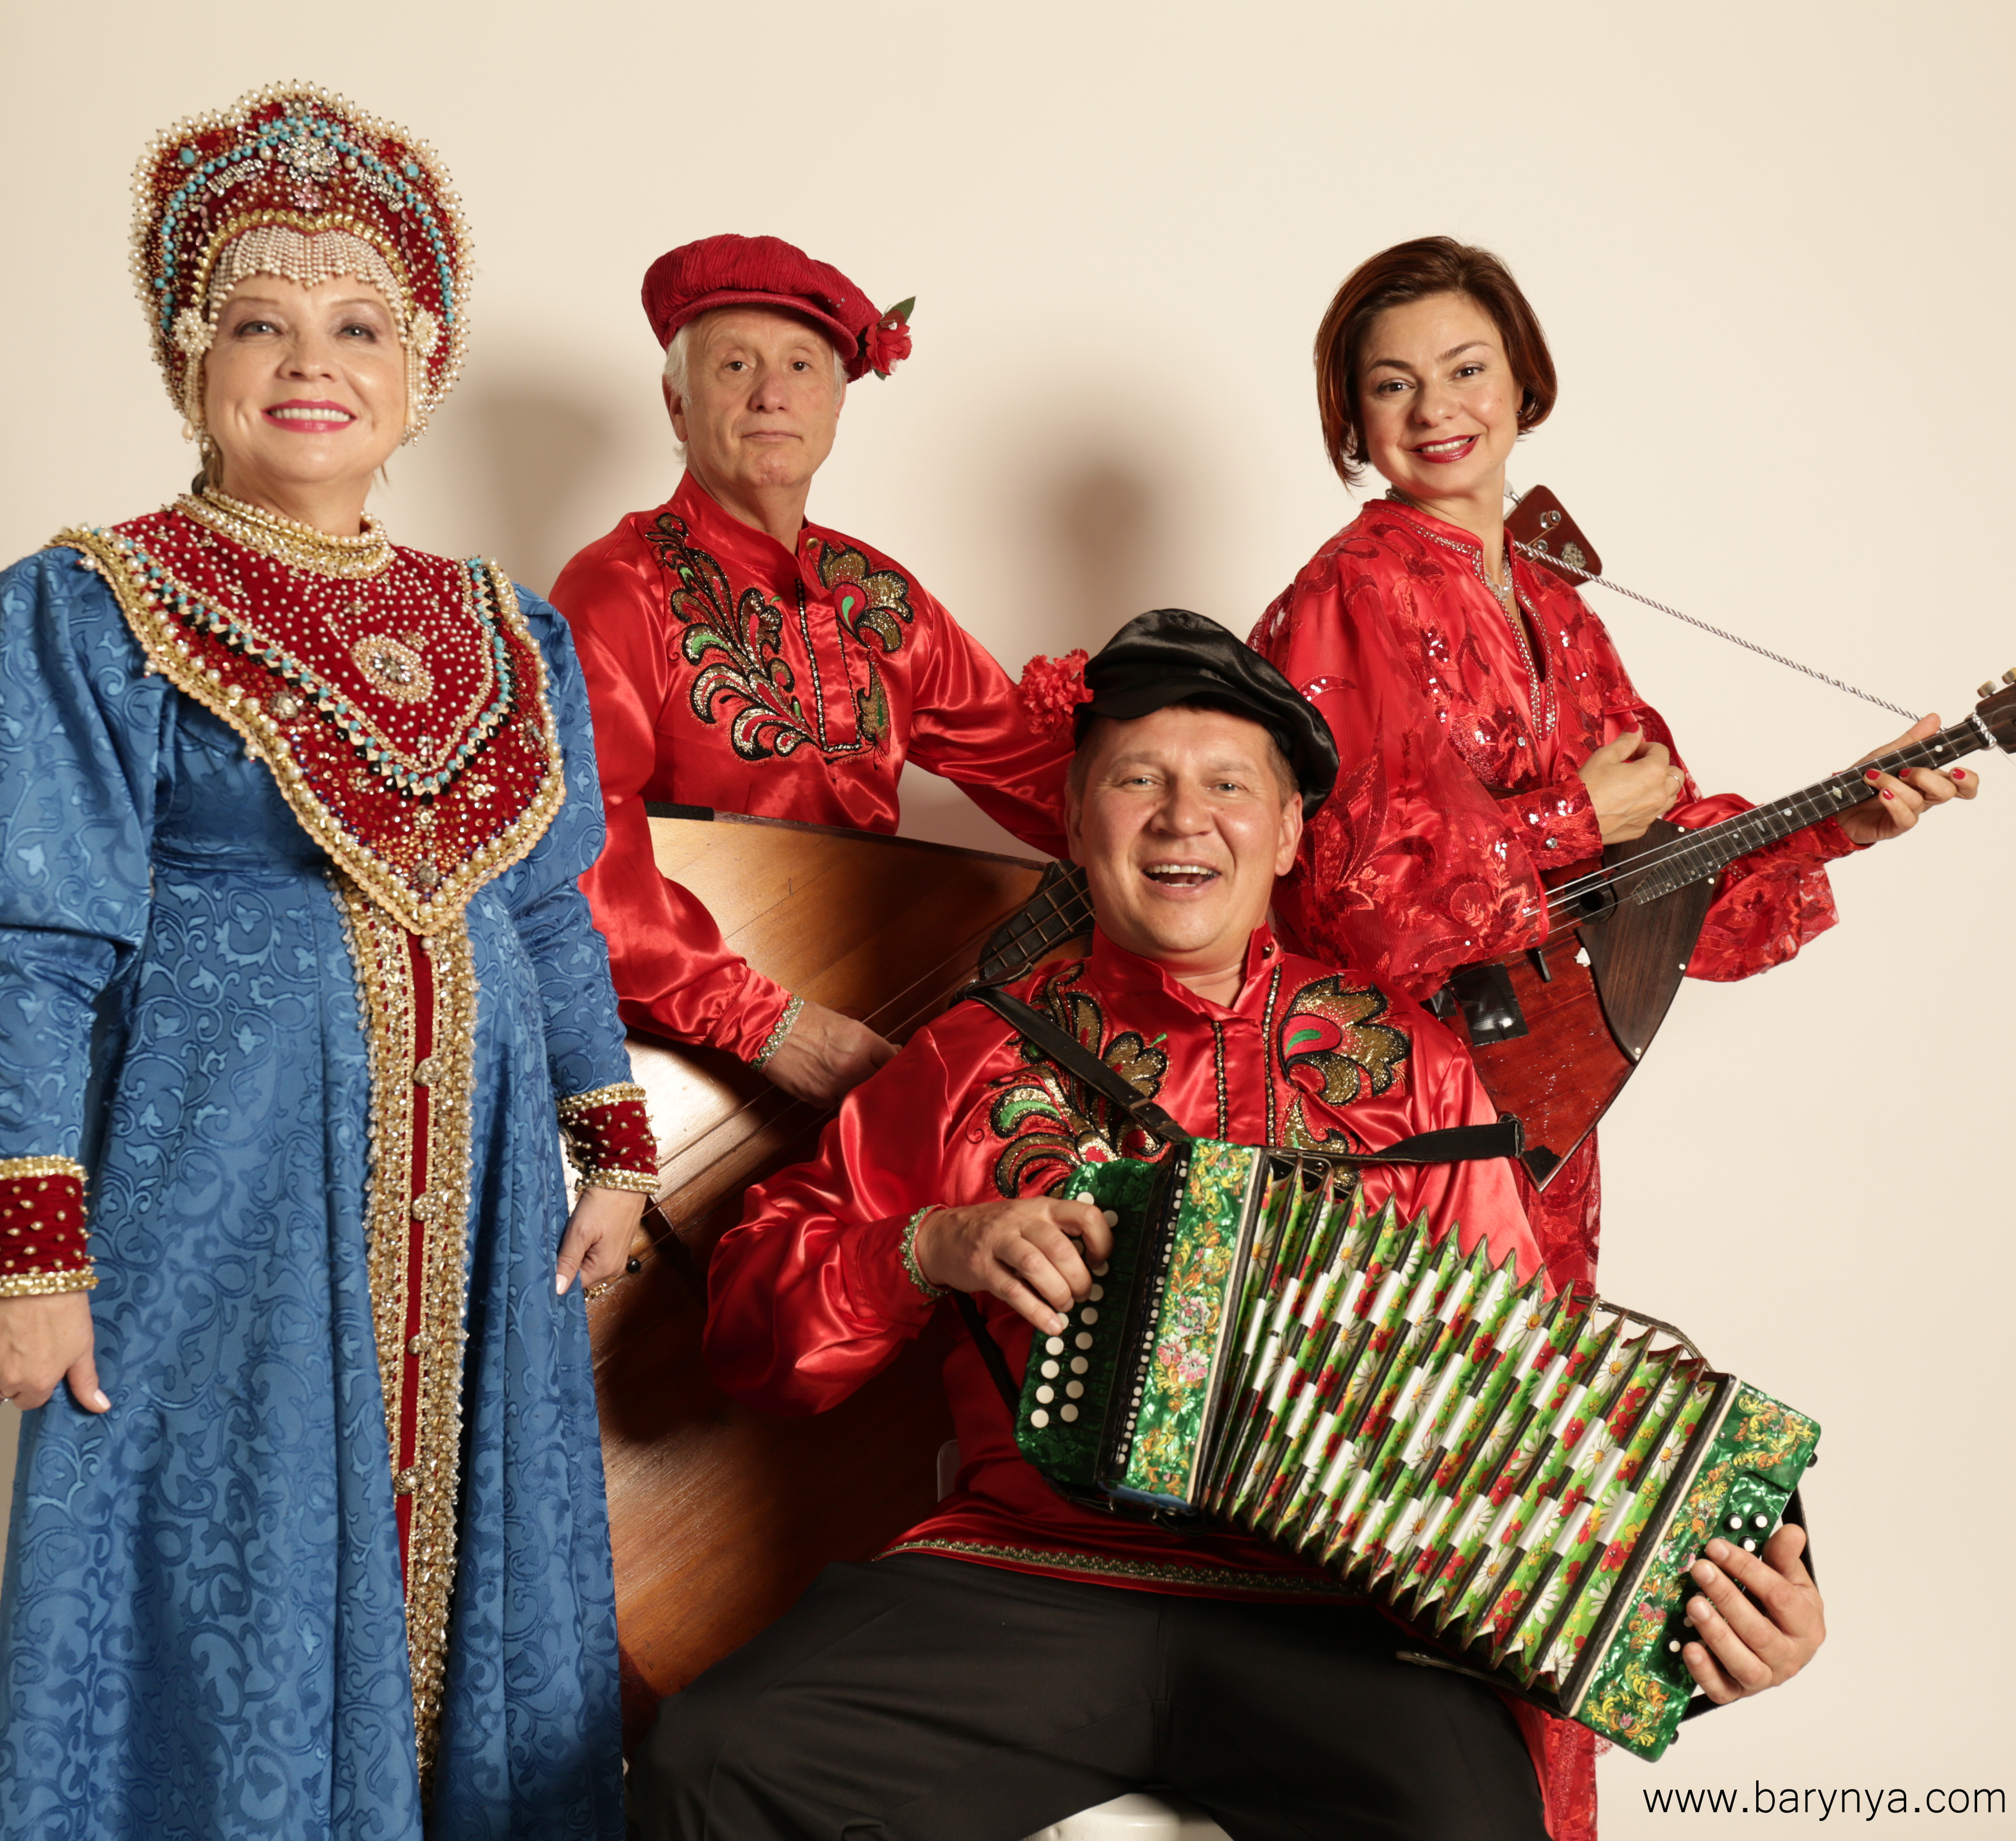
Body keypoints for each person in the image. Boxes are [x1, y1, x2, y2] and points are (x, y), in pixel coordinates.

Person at [625, 612, 1825, 1841]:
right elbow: (749, 1340)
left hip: (1334, 1611)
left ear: (1292, 830)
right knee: (712, 1764)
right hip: (1028, 1576)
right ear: (1081, 819)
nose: (1180, 818)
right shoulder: (966, 1058)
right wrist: (930, 1245)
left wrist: (1722, 1595)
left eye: (1227, 786)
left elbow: (1530, 1389)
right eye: (1137, 780)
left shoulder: (1412, 1068)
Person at [0, 84, 649, 1839]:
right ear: (192, 363)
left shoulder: (507, 628)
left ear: (419, 371)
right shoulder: (91, 610)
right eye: (258, 321)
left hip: (478, 1207)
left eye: (357, 326)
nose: (308, 361)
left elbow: (549, 903)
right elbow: (33, 943)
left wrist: (612, 1138)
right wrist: (33, 1251)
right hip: (220, 1193)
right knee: (219, 1556)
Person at [1249, 236, 1977, 1297]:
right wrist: (1567, 820)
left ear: (1522, 381)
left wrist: (1843, 819)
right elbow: (1343, 899)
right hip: (1389, 1115)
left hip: (1544, 1102)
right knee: (1402, 1430)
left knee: (1533, 1426)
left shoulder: (1556, 606)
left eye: (1467, 369)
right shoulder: (1351, 593)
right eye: (1392, 384)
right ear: (1353, 417)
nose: (1436, 411)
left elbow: (1655, 890)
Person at [550, 234, 1069, 1107]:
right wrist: (765, 1024)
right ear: (677, 404)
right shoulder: (616, 588)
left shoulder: (882, 602)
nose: (772, 394)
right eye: (734, 365)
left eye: (800, 364)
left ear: (835, 405)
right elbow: (575, 850)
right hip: (679, 1076)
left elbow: (1047, 781)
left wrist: (1205, 780)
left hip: (868, 1015)